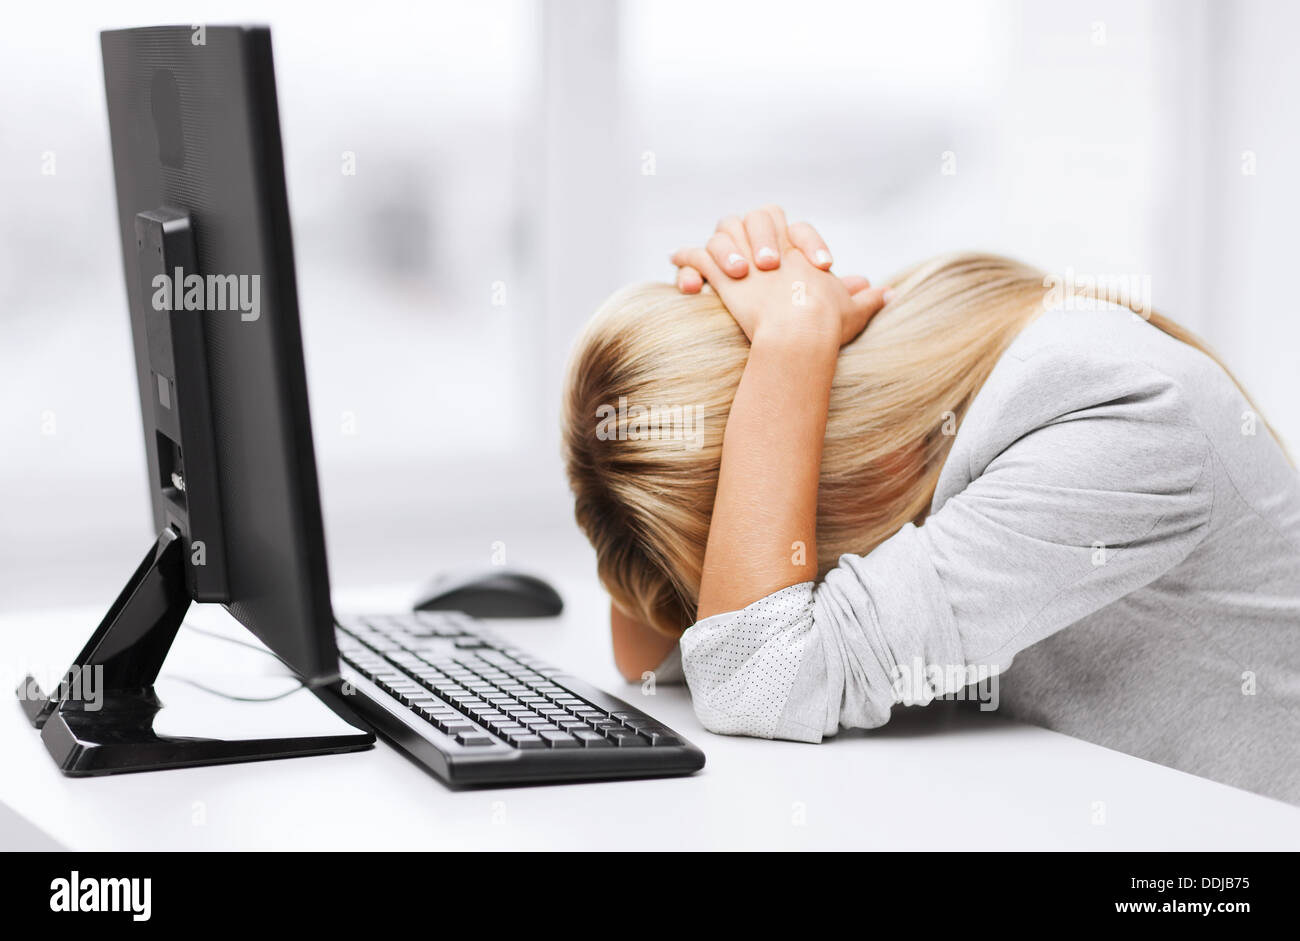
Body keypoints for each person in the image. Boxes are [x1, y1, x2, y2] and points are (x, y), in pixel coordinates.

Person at [562, 206, 1300, 804]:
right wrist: (677, 397)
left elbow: (755, 677)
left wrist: (787, 345)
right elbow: (652, 655)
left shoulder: (1106, 413)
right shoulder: (917, 375)